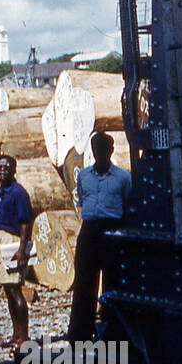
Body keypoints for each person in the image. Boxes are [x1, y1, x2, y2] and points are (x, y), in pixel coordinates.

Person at [68, 131, 132, 342]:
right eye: (96, 150)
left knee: (112, 283)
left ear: (111, 150)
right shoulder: (84, 175)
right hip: (89, 230)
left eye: (104, 149)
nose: (100, 153)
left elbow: (128, 203)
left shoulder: (123, 177)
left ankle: (112, 332)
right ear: (92, 151)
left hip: (112, 231)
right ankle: (79, 334)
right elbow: (81, 202)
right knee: (84, 282)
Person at [0, 153, 33, 356]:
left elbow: (25, 221)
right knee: (8, 290)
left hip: (12, 242)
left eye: (6, 167)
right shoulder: (0, 192)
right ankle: (15, 335)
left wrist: (22, 249)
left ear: (14, 169)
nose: (2, 170)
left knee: (15, 289)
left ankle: (23, 338)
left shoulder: (18, 193)